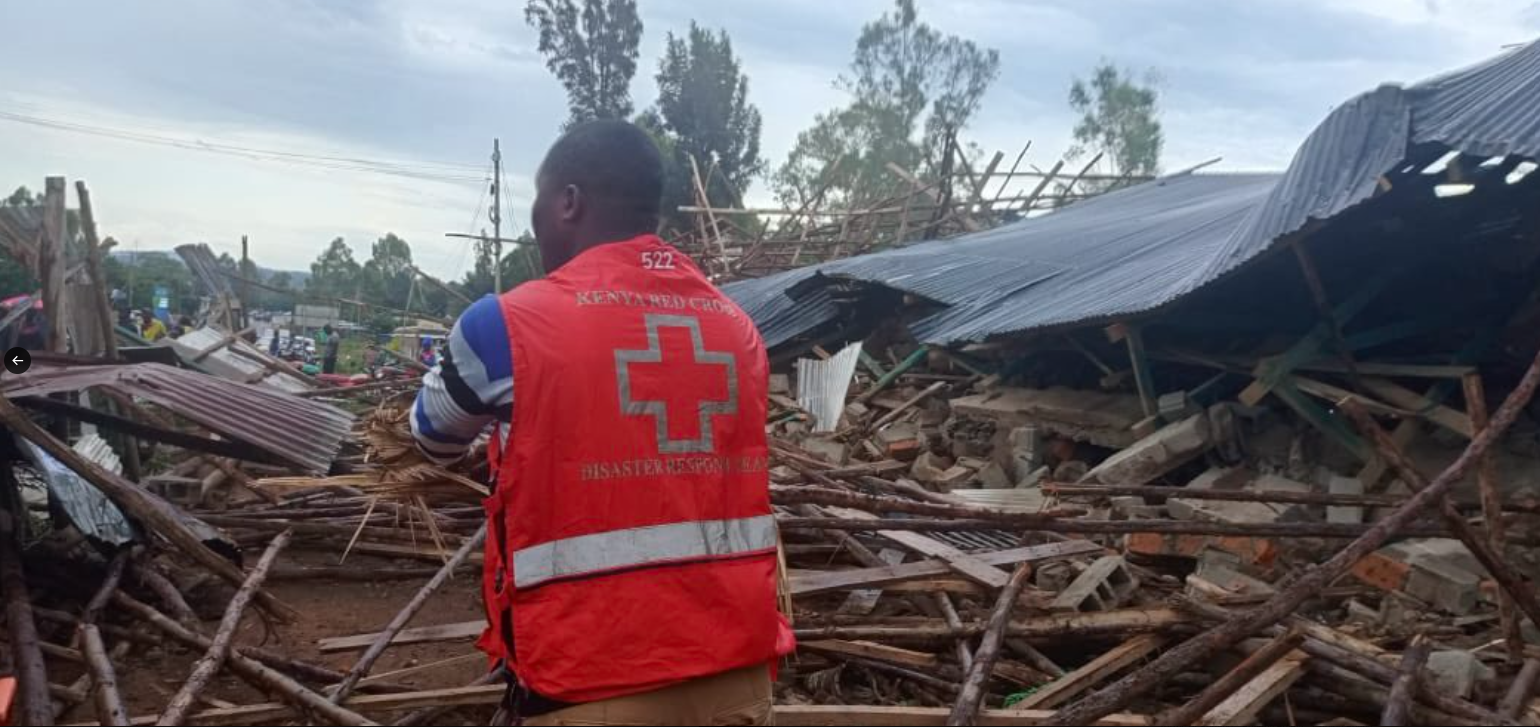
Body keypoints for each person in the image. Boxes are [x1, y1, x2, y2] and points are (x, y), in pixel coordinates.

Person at [409, 119, 789, 726]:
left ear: (567, 201)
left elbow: (431, 438)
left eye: (537, 200)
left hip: (589, 683)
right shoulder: (737, 329)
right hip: (736, 676)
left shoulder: (504, 325)